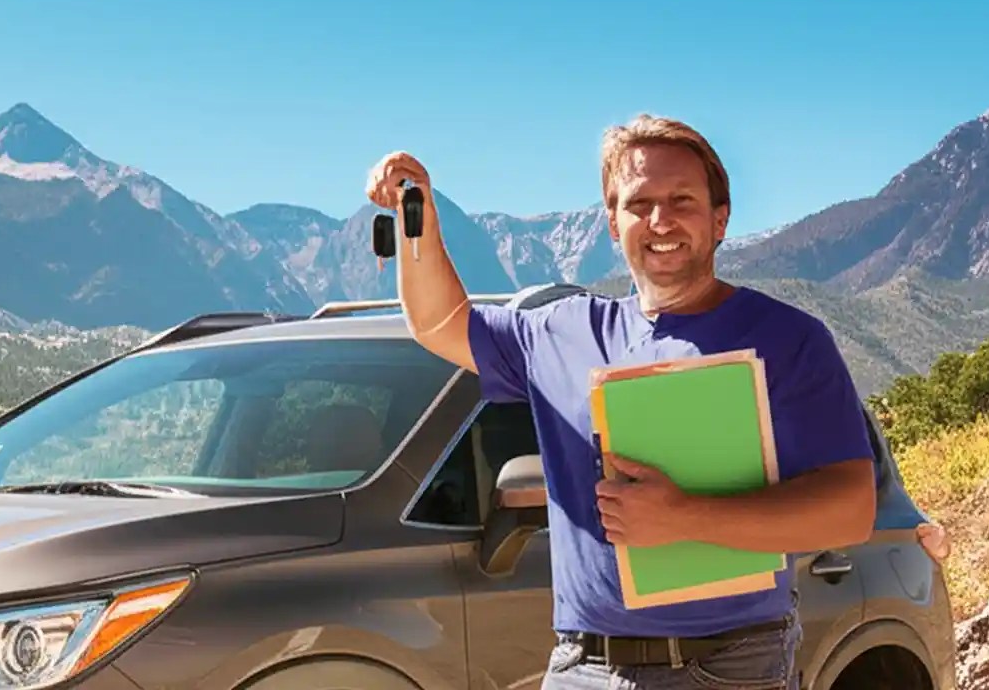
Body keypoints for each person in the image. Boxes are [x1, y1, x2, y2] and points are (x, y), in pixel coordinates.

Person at [365, 113, 878, 690]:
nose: (660, 219)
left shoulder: (789, 339)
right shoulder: (563, 331)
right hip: (579, 666)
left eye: (682, 199)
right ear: (612, 222)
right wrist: (420, 220)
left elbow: (852, 510)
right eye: (639, 203)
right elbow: (441, 324)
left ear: (720, 219)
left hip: (726, 667)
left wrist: (685, 517)